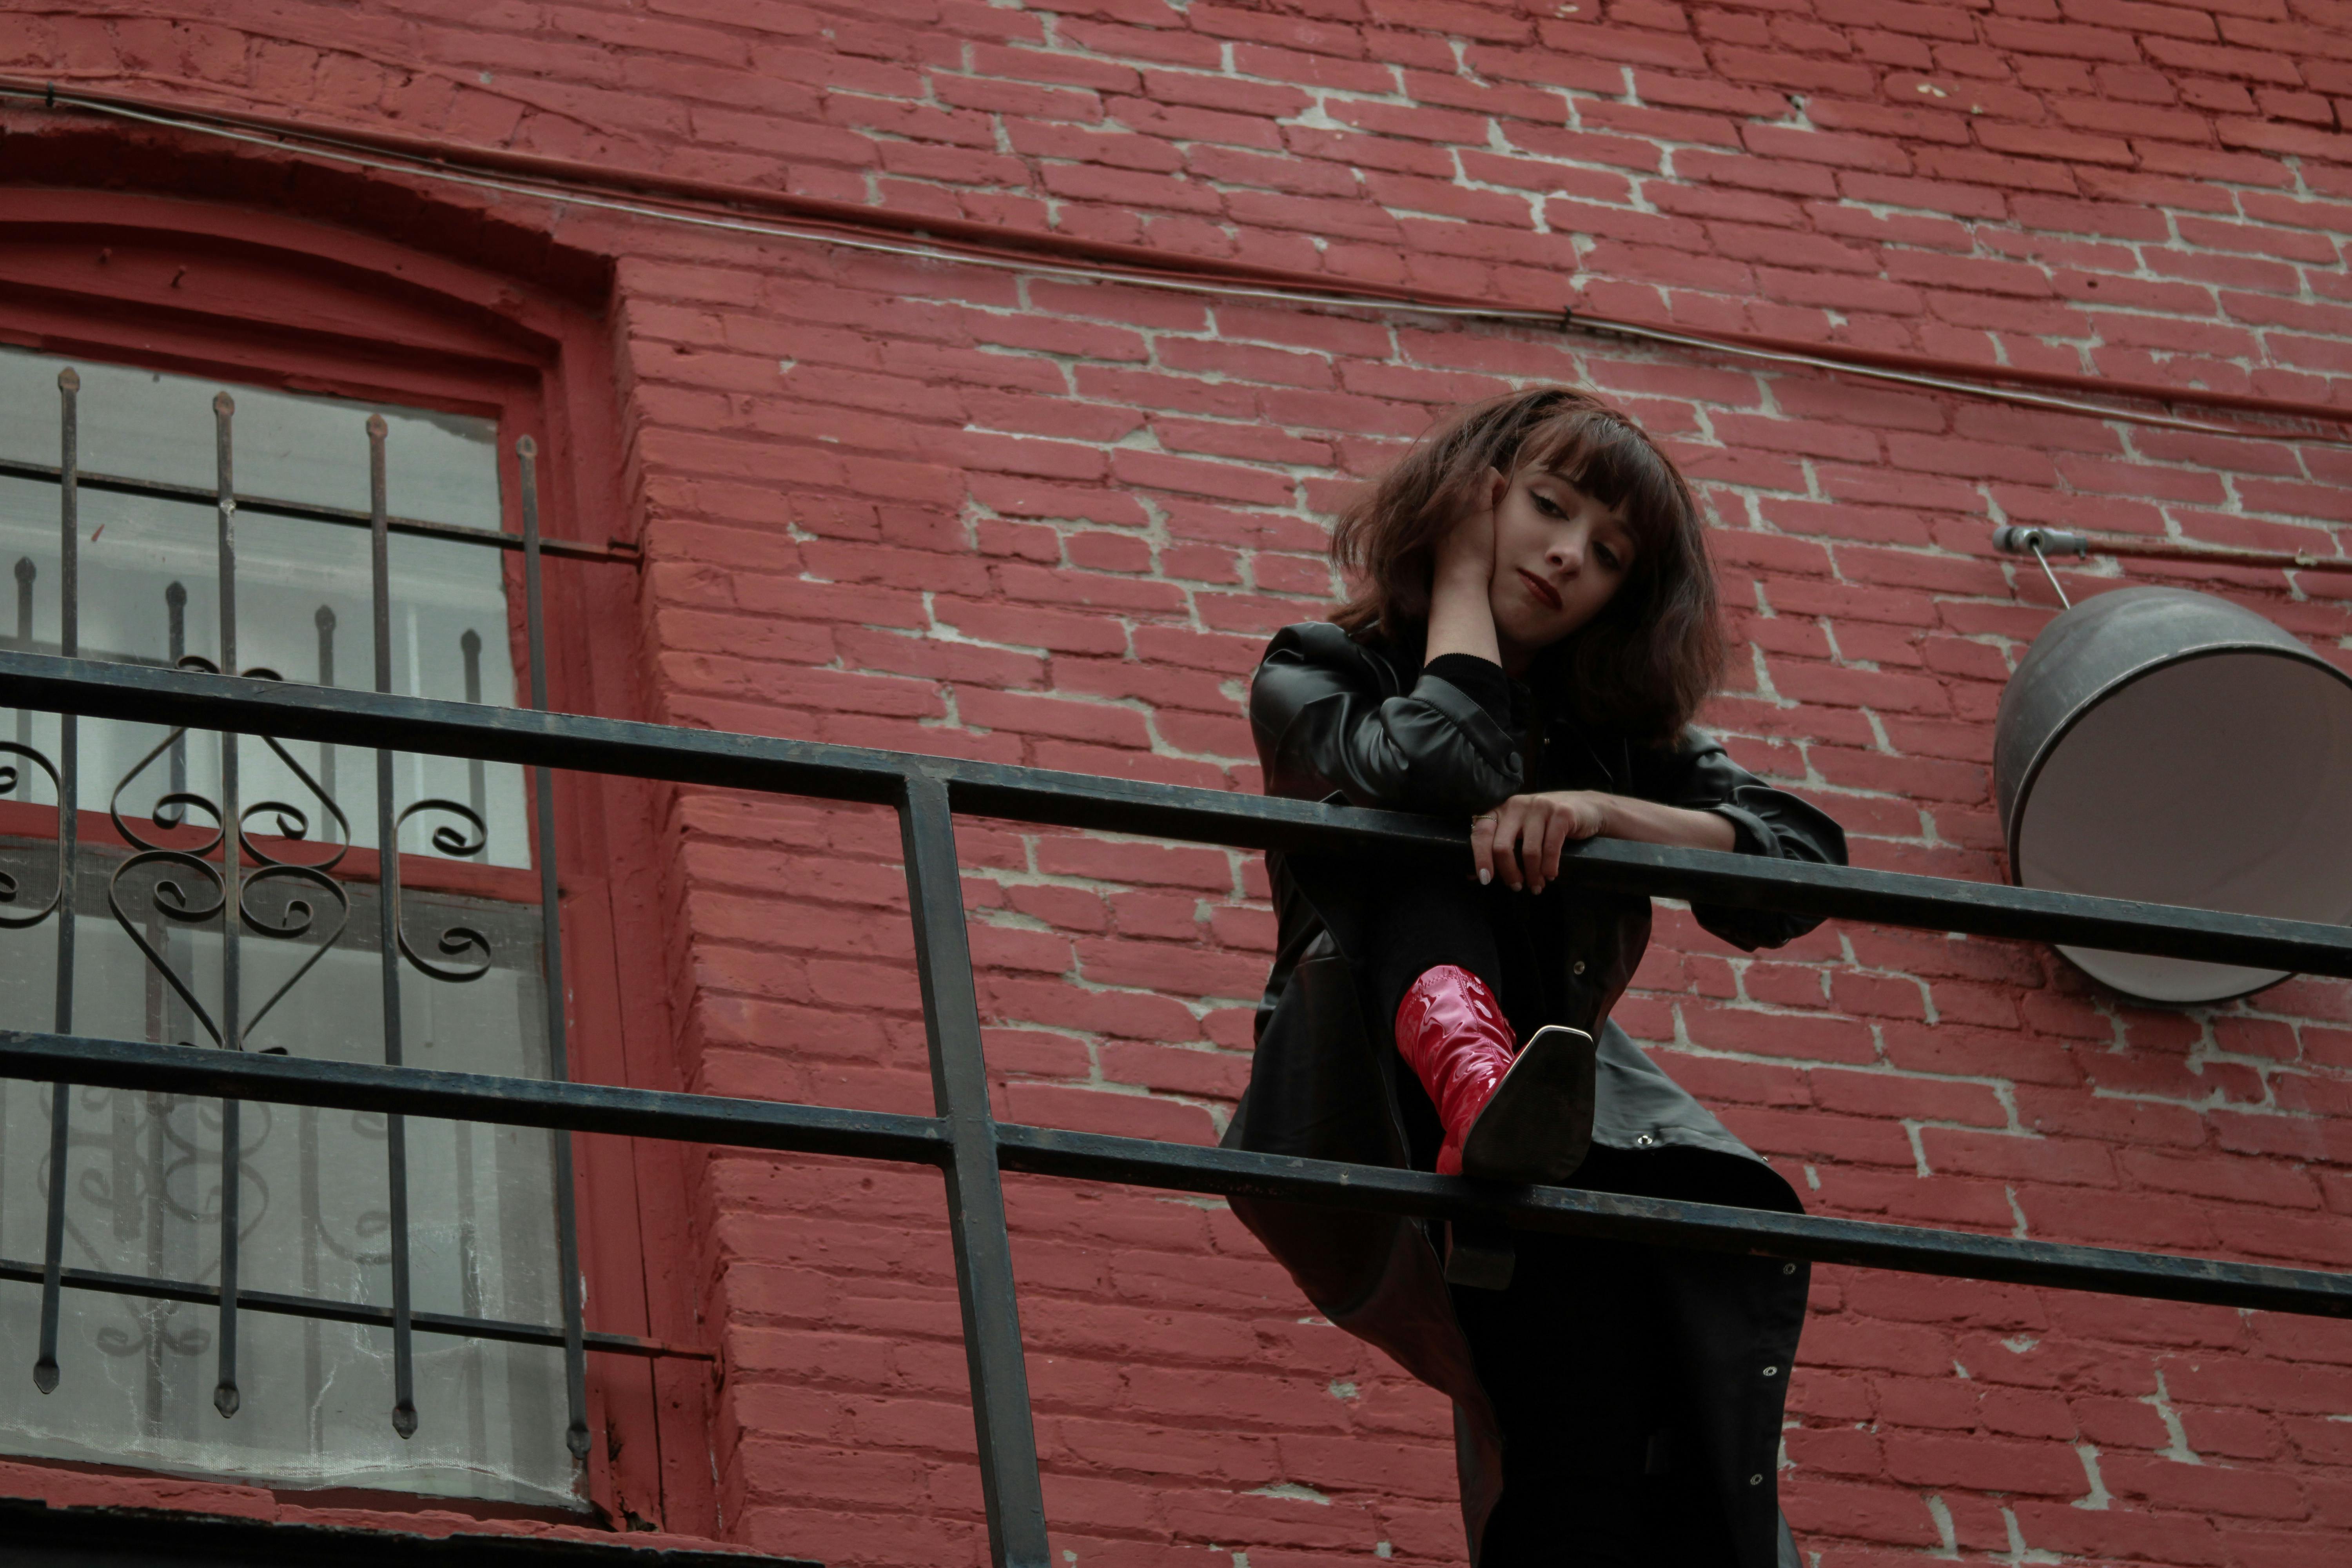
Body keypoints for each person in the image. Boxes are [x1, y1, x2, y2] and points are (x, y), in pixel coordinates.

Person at [1223, 388, 1846, 1568]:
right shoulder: (1317, 669)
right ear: (1474, 500)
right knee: (1436, 834)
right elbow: (1438, 766)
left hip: (1550, 1125)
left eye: (1609, 555)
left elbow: (1802, 864)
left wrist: (1603, 808)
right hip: (1372, 1100)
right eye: (1549, 509)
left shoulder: (1613, 739)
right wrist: (1459, 575)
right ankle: (1473, 1078)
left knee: (1588, 1426)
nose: (1569, 557)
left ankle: (1503, 1106)